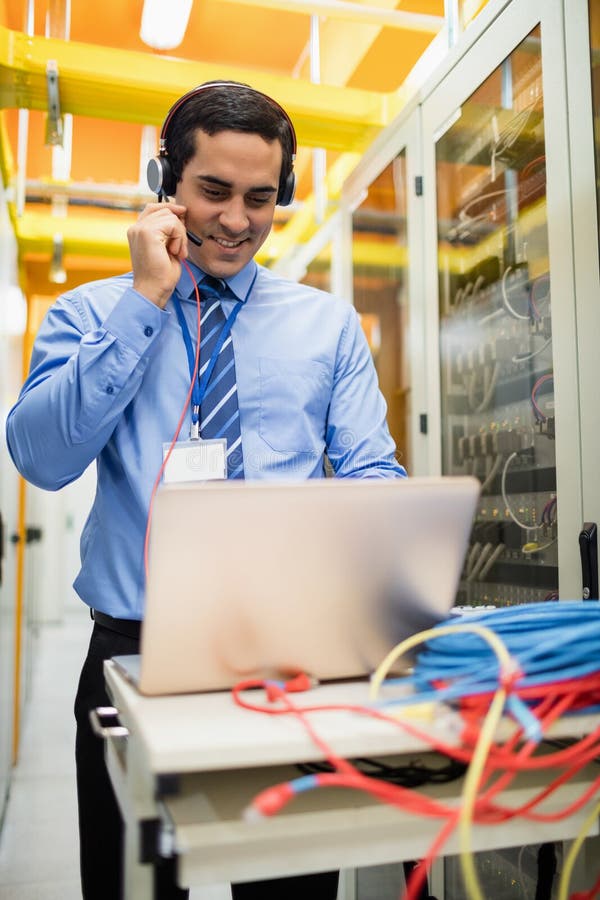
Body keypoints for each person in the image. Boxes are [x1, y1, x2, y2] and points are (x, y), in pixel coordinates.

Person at [6, 80, 407, 900]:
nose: (236, 221)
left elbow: (372, 478)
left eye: (261, 198)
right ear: (168, 183)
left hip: (292, 664)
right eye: (213, 191)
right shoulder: (93, 313)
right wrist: (147, 299)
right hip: (134, 658)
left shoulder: (323, 325)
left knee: (290, 887)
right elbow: (43, 458)